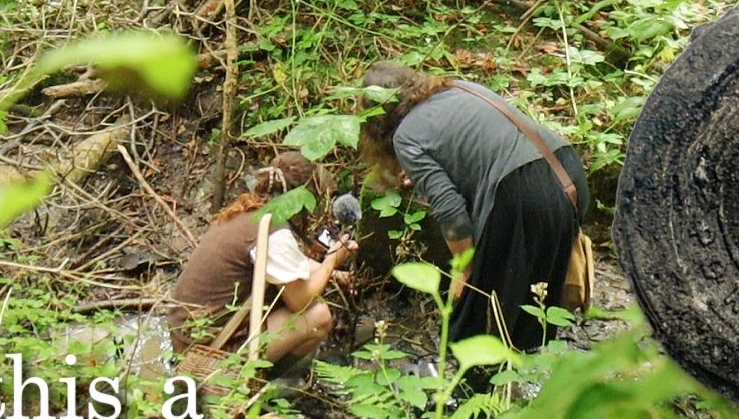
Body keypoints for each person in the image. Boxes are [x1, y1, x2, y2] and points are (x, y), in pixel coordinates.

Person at [358, 61, 590, 352]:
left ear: (375, 119)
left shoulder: (406, 135)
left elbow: (451, 211)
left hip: (522, 192)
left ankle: (473, 389)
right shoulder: (458, 88)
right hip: (567, 171)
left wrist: (463, 269)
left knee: (478, 322)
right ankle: (529, 379)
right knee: (533, 312)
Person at [168, 152, 357, 372]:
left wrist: (331, 274)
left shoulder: (249, 212)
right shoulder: (273, 231)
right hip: (209, 351)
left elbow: (285, 260)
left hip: (184, 337)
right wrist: (331, 261)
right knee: (319, 316)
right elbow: (300, 301)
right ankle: (261, 381)